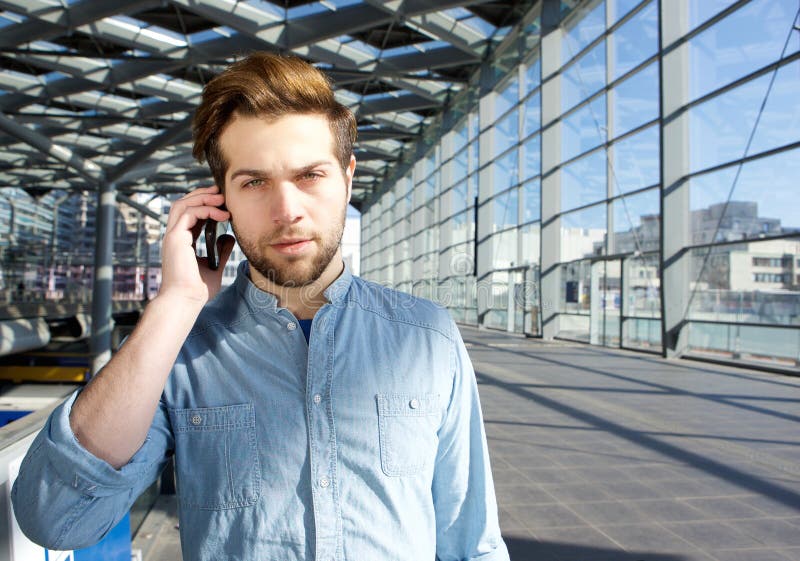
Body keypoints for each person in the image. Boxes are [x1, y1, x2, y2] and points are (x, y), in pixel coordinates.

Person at [12, 53, 509, 561]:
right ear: (219, 200)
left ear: (348, 177)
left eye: (310, 175)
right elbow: (55, 519)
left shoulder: (428, 336)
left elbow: (472, 543)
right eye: (254, 182)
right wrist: (174, 305)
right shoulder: (178, 352)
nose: (287, 210)